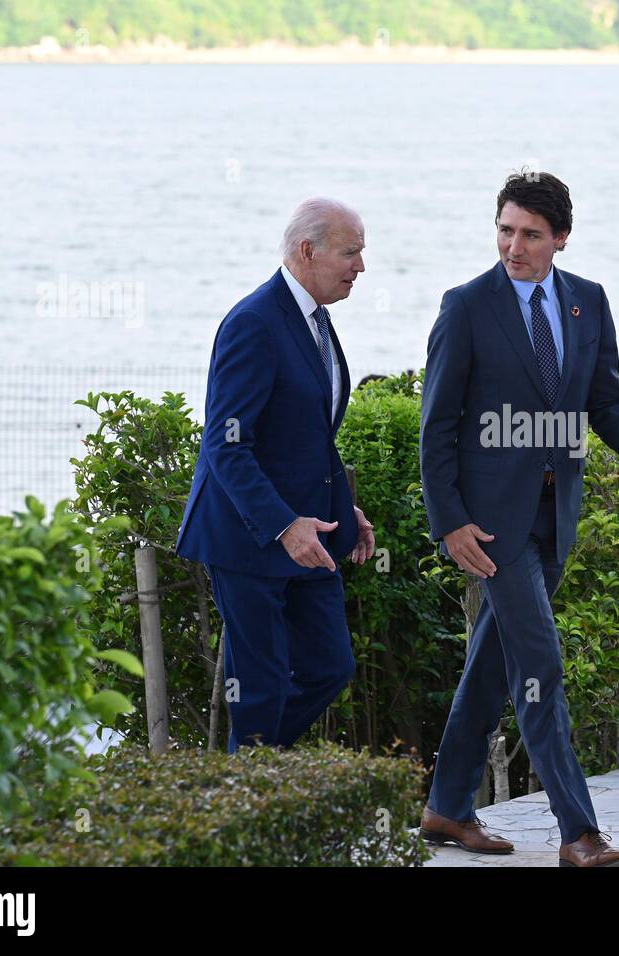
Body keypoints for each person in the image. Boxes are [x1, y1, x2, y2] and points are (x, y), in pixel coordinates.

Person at [419, 172, 619, 867]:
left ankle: (446, 809)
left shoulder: (587, 302)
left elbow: (603, 403)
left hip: (555, 517)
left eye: (530, 234)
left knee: (491, 665)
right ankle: (579, 831)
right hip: (491, 528)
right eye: (505, 230)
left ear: (561, 239)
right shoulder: (466, 307)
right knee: (540, 665)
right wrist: (449, 522)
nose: (513, 246)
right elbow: (439, 427)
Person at [176, 197, 376, 753]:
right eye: (351, 253)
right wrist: (284, 525)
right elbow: (226, 444)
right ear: (308, 251)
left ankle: (247, 772)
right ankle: (250, 800)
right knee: (259, 693)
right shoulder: (253, 322)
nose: (360, 267)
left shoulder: (317, 319)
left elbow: (310, 435)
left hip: (312, 532)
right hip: (248, 538)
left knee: (330, 667)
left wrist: (344, 508)